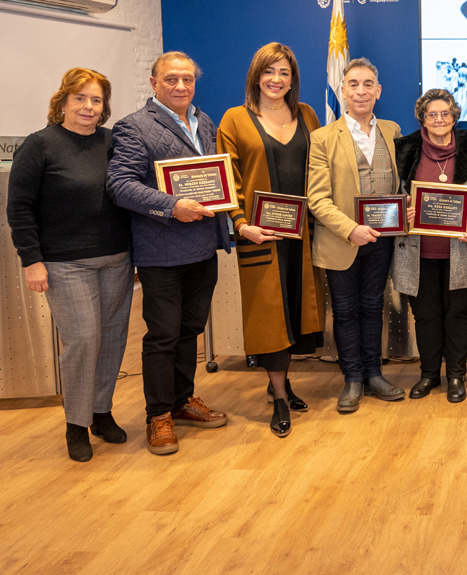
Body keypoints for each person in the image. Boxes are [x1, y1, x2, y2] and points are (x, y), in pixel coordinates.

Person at [6, 68, 134, 462]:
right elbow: (19, 207)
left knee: (112, 340)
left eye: (96, 100)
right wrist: (32, 261)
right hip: (64, 263)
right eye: (80, 98)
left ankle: (101, 413)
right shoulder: (40, 145)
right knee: (83, 341)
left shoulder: (114, 143)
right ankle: (76, 425)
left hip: (117, 258)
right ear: (62, 102)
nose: (88, 107)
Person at [108, 51, 231, 456]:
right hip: (161, 251)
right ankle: (158, 415)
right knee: (162, 336)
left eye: (188, 80)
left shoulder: (205, 121)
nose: (181, 86)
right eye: (172, 79)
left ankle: (183, 401)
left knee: (190, 330)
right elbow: (120, 185)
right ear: (154, 82)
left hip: (201, 246)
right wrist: (170, 204)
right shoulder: (133, 127)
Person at [216, 43, 324, 438]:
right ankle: (279, 396)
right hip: (259, 236)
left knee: (296, 311)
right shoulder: (235, 119)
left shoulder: (308, 114)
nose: (277, 80)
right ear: (255, 76)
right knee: (268, 316)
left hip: (303, 235)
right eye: (269, 72)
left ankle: (279, 380)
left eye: (284, 73)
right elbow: (228, 181)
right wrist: (242, 224)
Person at [307, 58, 406, 413]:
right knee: (346, 311)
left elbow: (402, 184)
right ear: (343, 91)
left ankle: (374, 375)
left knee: (372, 307)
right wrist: (351, 229)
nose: (361, 91)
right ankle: (352, 379)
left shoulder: (393, 132)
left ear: (378, 91)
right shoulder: (322, 138)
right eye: (353, 84)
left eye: (368, 84)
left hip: (382, 241)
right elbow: (317, 199)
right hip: (341, 241)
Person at [390, 89, 467, 403]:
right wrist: (402, 210)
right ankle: (428, 374)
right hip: (417, 251)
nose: (439, 119)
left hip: (463, 249)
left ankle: (456, 376)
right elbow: (388, 195)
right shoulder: (404, 149)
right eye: (432, 114)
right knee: (426, 316)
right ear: (422, 118)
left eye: (445, 113)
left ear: (455, 116)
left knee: (458, 315)